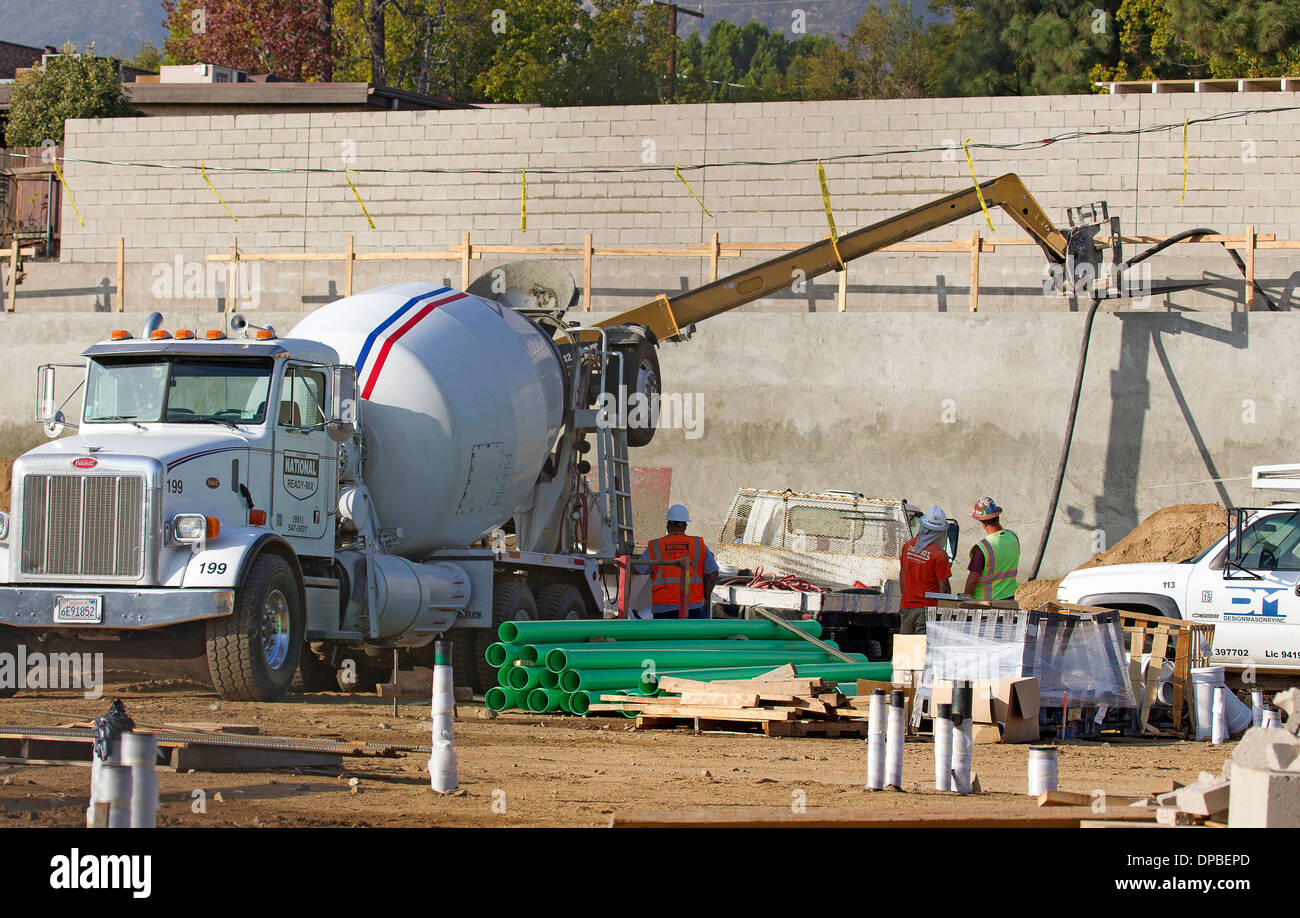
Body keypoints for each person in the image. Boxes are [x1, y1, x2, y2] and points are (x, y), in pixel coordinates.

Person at [641, 504, 719, 619]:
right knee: (694, 637)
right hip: (693, 606)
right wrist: (706, 596)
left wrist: (619, 557)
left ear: (668, 524)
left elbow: (638, 569)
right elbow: (713, 573)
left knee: (667, 636)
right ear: (685, 526)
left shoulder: (656, 546)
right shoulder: (698, 544)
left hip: (663, 606)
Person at [898, 505, 952, 634]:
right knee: (922, 648)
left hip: (907, 606)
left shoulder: (908, 546)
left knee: (906, 648)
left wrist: (906, 598)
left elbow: (902, 574)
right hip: (928, 609)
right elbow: (943, 587)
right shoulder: (939, 554)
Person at [963, 497, 1020, 602]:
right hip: (1009, 599)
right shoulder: (1013, 537)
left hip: (986, 603)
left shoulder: (983, 547)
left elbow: (973, 580)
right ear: (997, 517)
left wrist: (965, 598)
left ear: (983, 524)